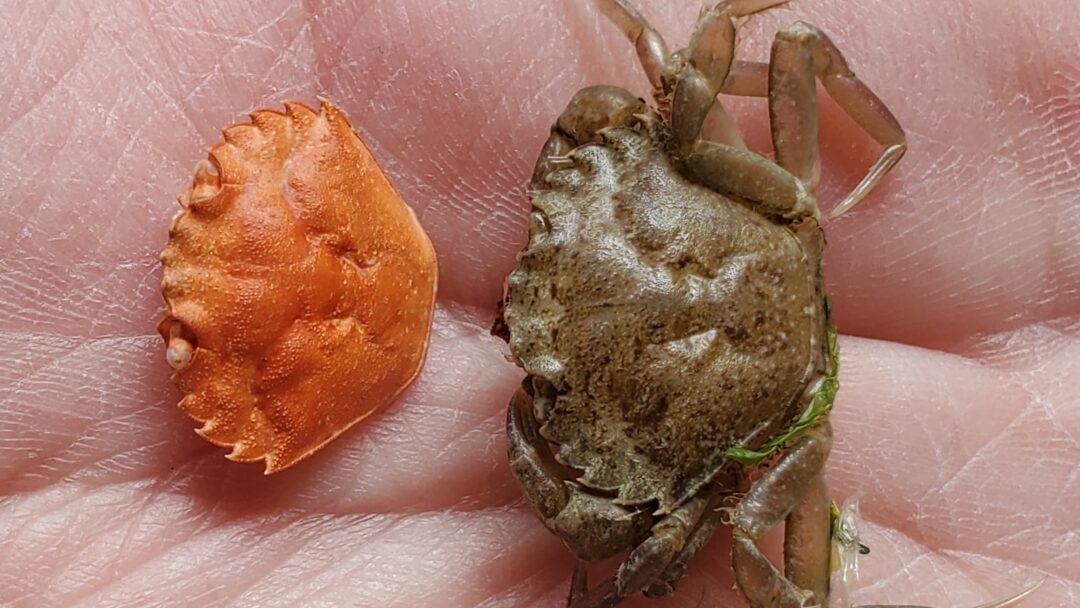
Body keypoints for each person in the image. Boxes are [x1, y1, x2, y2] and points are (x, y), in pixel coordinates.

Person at [0, 1, 1074, 606]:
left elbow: (637, 542)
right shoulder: (773, 202)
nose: (516, 319)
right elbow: (731, 53)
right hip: (760, 249)